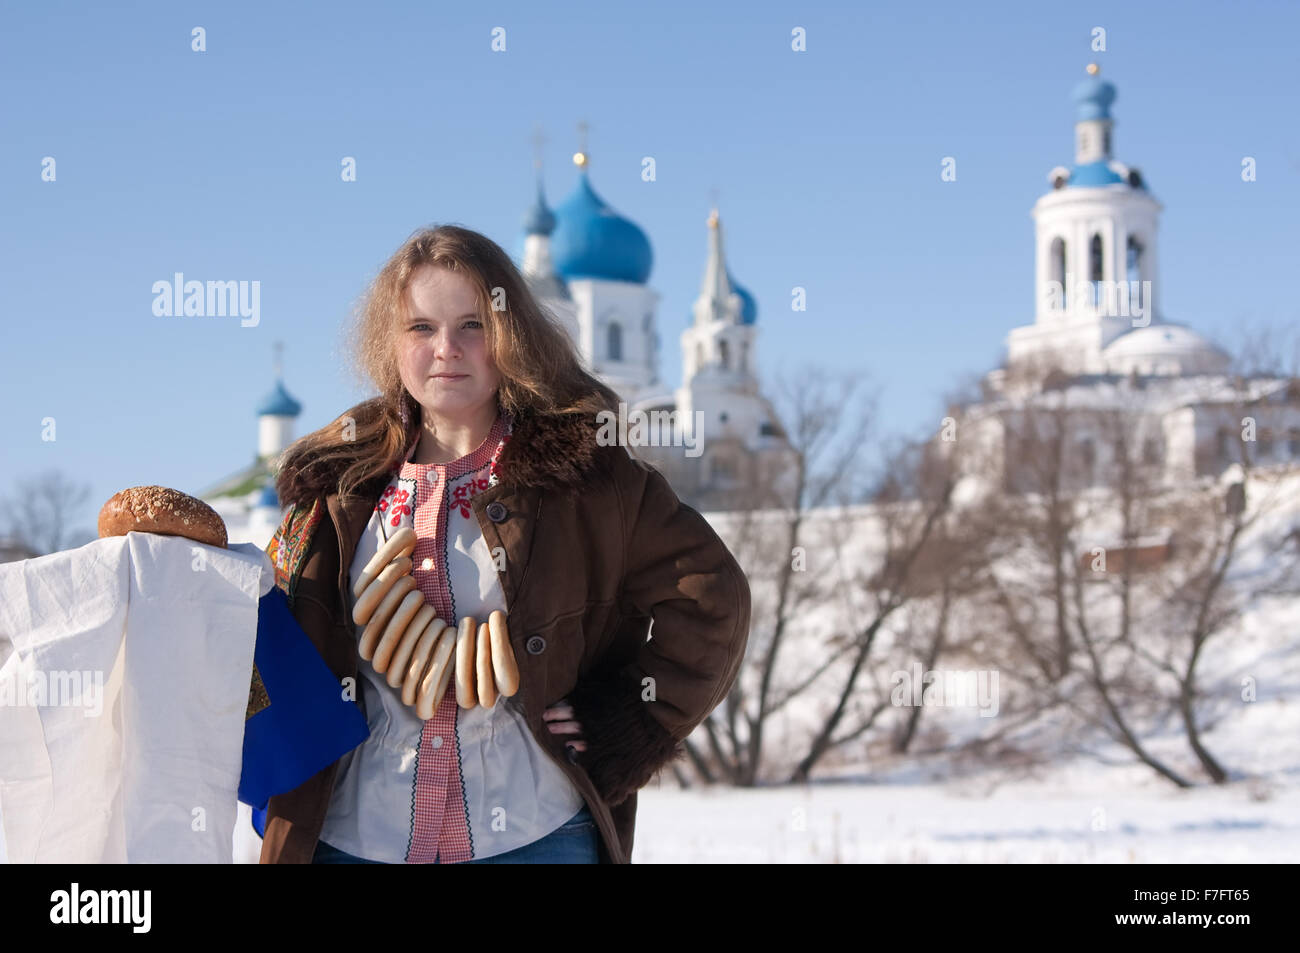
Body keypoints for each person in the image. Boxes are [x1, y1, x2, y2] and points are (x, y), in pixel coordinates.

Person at [257, 224, 751, 864]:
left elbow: (714, 597)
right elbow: (265, 631)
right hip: (356, 836)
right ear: (390, 342)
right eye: (421, 328)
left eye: (472, 324)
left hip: (531, 835)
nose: (446, 350)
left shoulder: (588, 481)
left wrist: (637, 720)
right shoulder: (338, 489)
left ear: (509, 333)